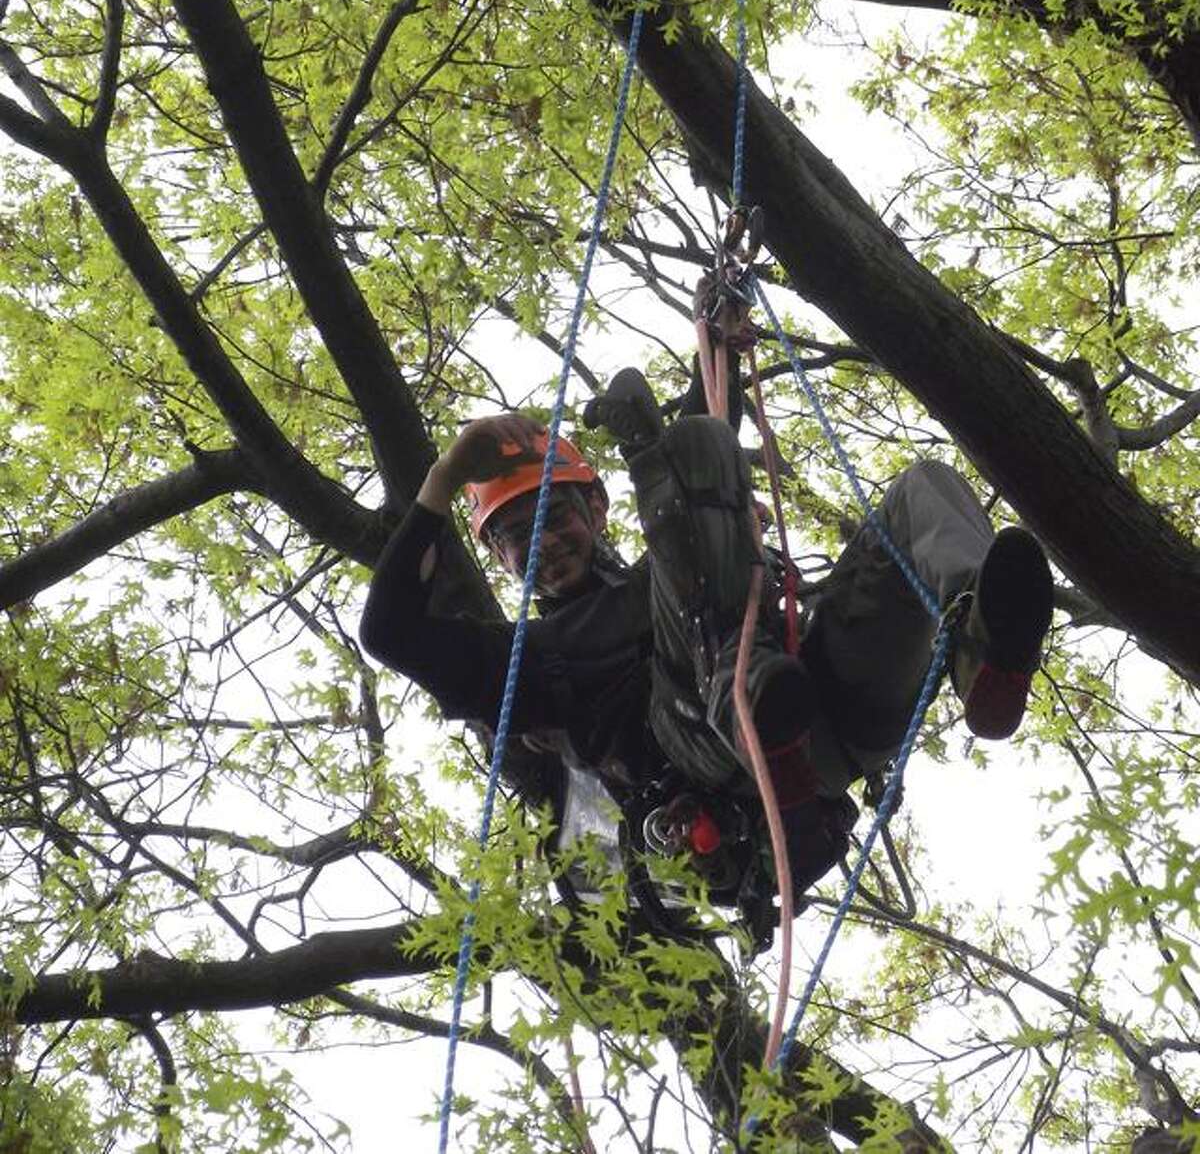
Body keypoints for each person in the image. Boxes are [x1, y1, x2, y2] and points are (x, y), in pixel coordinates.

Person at [359, 366, 1054, 907]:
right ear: (499, 561)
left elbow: (697, 466)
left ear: (596, 509)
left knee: (921, 489)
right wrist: (444, 478)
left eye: (552, 515)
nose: (539, 541)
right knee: (690, 460)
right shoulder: (524, 662)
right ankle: (750, 708)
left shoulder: (667, 565)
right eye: (511, 537)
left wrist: (711, 339)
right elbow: (388, 630)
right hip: (710, 756)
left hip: (821, 707)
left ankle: (984, 646)